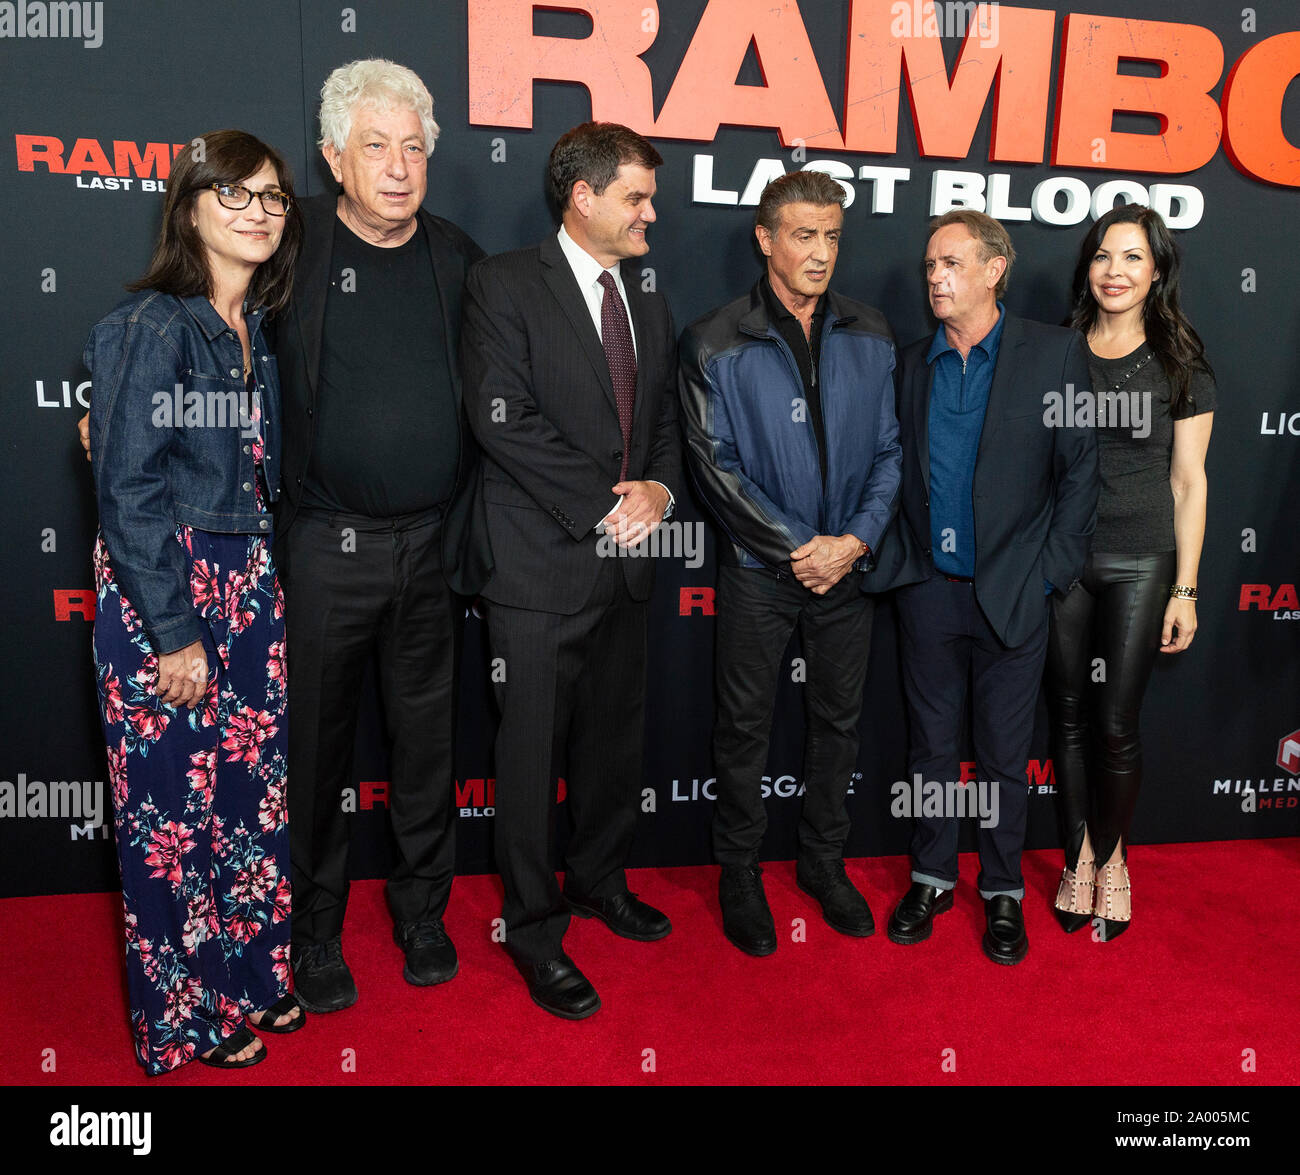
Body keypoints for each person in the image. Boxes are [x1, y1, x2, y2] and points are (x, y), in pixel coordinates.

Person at [273, 59, 492, 1011]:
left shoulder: (458, 256)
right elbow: (203, 315)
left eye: (414, 148)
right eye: (375, 146)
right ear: (332, 157)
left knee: (426, 747)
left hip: (432, 547)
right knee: (315, 751)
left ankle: (420, 911)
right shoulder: (292, 240)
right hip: (328, 547)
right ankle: (314, 929)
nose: (398, 166)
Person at [86, 129, 303, 1072]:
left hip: (248, 576)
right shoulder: (152, 327)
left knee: (249, 798)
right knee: (171, 812)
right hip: (166, 584)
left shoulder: (258, 329)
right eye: (236, 193)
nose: (258, 211)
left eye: (273, 197)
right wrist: (173, 631)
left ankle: (251, 974)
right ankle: (176, 1017)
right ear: (190, 207)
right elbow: (127, 489)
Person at [461, 122, 681, 1019]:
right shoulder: (504, 283)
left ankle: (600, 879)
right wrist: (607, 502)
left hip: (628, 569)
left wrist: (660, 491)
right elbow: (502, 420)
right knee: (527, 761)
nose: (651, 216)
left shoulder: (651, 301)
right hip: (538, 568)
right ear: (582, 197)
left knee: (611, 749)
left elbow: (661, 419)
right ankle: (534, 928)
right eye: (636, 197)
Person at [866, 210, 1099, 965]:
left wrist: (1049, 576)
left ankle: (1002, 890)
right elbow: (890, 469)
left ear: (995, 269)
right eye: (930, 265)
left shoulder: (1055, 353)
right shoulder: (907, 363)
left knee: (1004, 754)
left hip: (1013, 593)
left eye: (953, 263)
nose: (936, 277)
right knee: (930, 748)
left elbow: (1081, 476)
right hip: (927, 589)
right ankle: (932, 876)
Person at [678, 171, 901, 956]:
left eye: (833, 237)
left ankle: (822, 860)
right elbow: (714, 466)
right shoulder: (713, 339)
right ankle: (738, 870)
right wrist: (797, 548)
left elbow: (887, 452)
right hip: (758, 574)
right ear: (765, 239)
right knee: (744, 729)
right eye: (804, 235)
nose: (821, 253)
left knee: (837, 726)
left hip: (848, 570)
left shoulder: (870, 330)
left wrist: (854, 541)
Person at [1047, 203, 1215, 940]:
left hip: (1143, 558)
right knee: (1068, 720)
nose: (1115, 271)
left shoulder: (1180, 362)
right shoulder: (1056, 351)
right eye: (1103, 256)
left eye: (1133, 258)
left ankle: (1113, 860)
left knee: (1116, 724)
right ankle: (1077, 854)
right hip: (1063, 560)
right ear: (1088, 266)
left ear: (1157, 271)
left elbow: (1189, 481)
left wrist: (1187, 588)